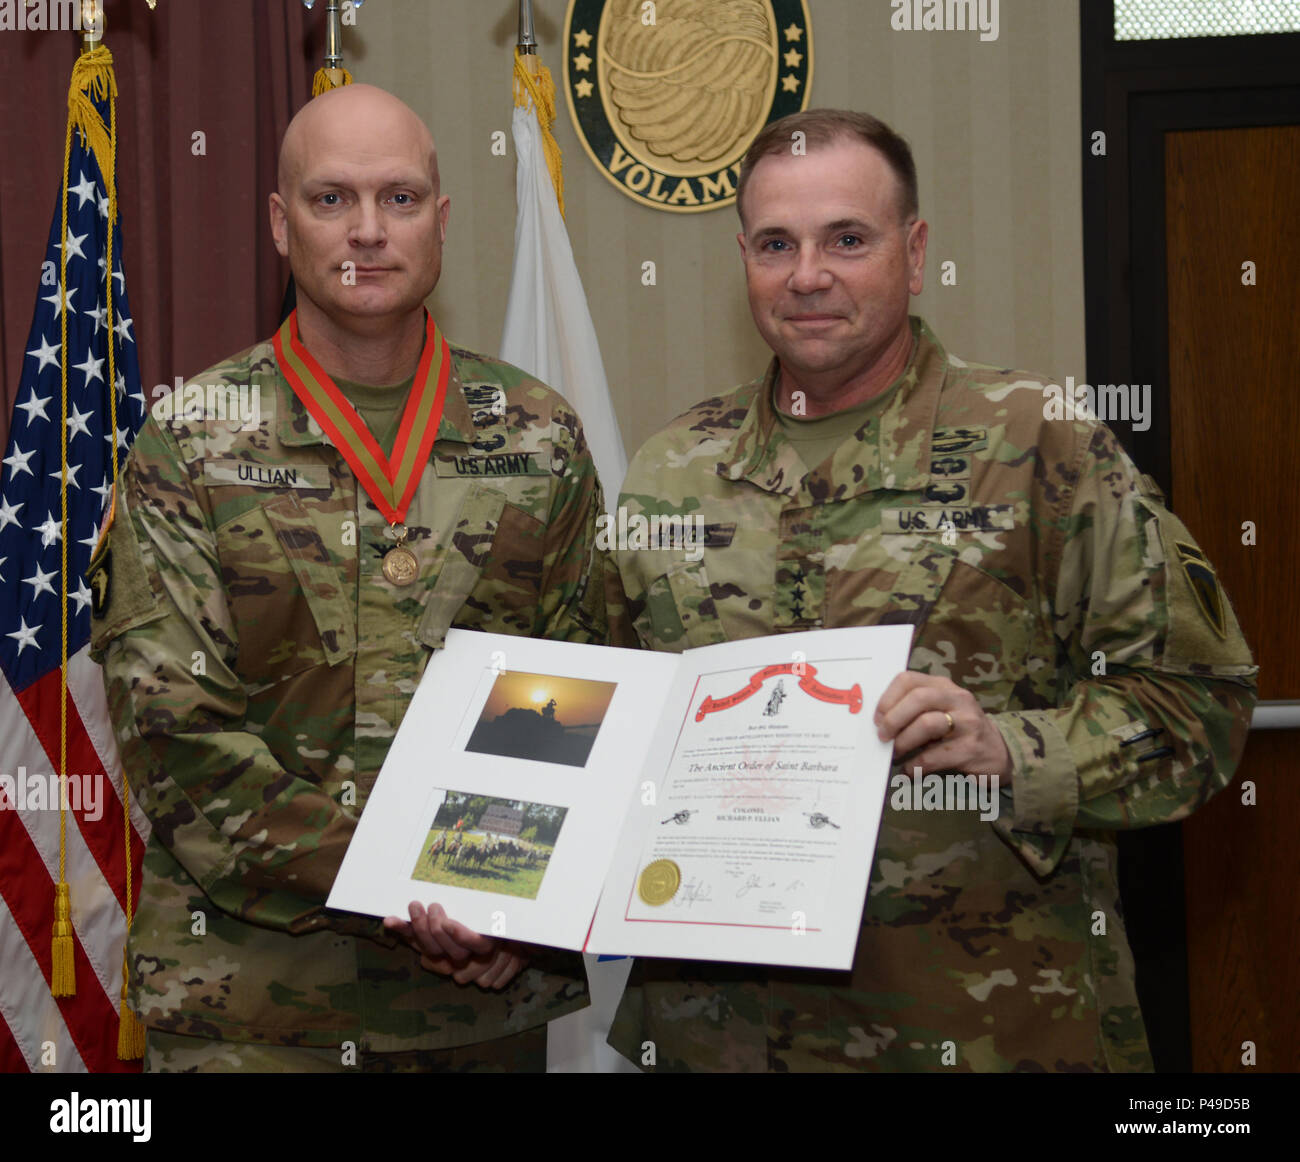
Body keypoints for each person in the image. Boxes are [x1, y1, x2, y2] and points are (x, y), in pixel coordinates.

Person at [604, 109, 1257, 1072]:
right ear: (742, 256)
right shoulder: (671, 470)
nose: (808, 275)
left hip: (989, 1026)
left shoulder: (1043, 442)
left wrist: (1009, 748)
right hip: (726, 1034)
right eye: (776, 244)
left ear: (914, 254)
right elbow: (615, 725)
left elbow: (1202, 709)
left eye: (847, 240)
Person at [89, 84, 608, 1072]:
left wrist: (506, 905)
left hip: (481, 1000)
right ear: (281, 225)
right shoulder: (189, 442)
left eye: (400, 199)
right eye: (331, 200)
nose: (367, 231)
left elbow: (585, 691)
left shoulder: (537, 433)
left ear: (442, 222)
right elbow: (178, 739)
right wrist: (413, 883)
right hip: (255, 1007)